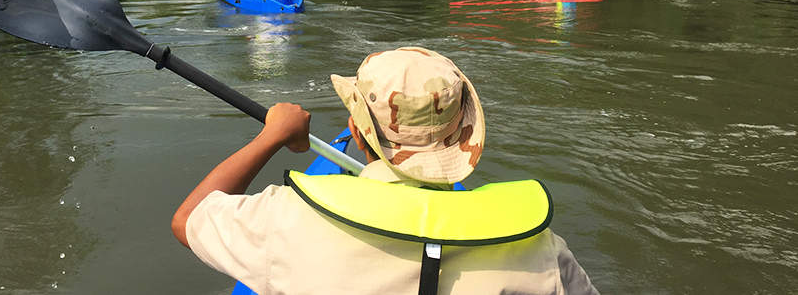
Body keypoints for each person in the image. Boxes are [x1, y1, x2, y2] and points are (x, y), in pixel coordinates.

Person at [171, 47, 599, 295]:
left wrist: (272, 137)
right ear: (464, 136)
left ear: (356, 132)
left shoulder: (286, 219)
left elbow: (188, 219)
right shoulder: (539, 245)